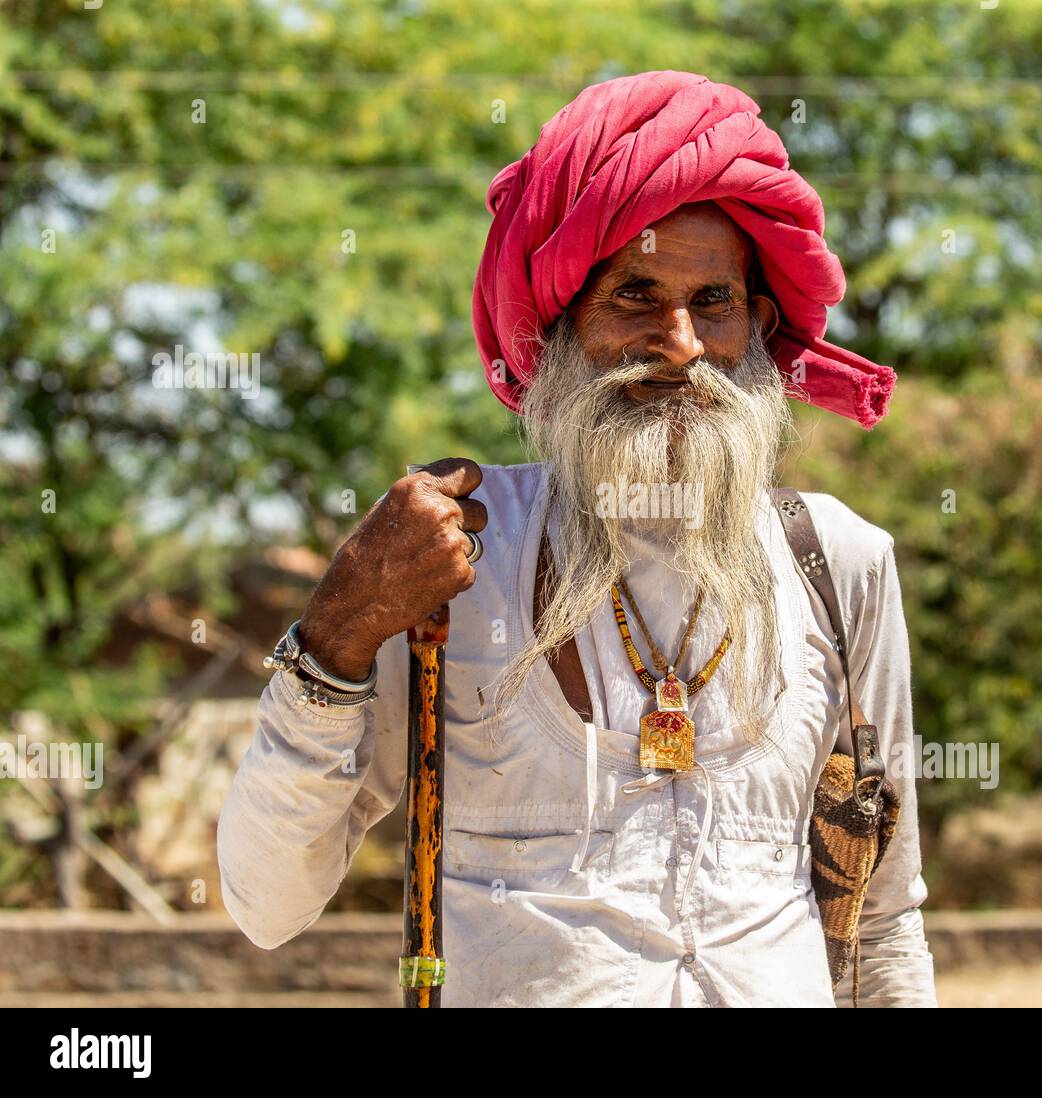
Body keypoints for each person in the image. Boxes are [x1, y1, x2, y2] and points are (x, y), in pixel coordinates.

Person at [217, 70, 937, 1008]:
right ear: (555, 324)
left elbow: (884, 919)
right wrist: (336, 634)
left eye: (712, 301)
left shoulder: (835, 563)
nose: (678, 342)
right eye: (635, 295)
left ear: (758, 326)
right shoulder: (451, 557)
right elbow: (265, 904)